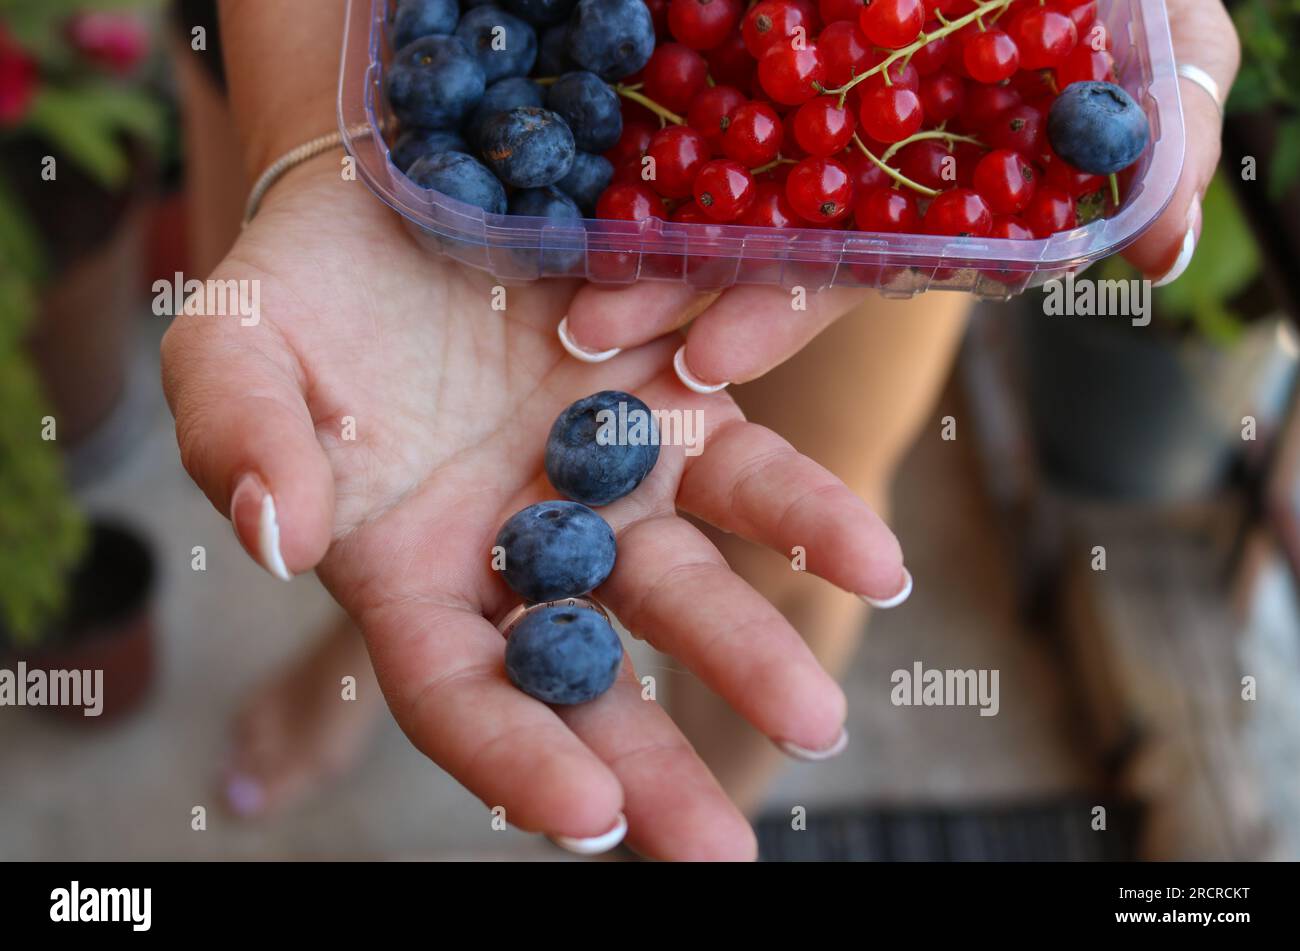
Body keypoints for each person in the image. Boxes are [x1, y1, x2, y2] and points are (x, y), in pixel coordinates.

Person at [163, 0, 1239, 859]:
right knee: (394, 457)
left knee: (788, 534)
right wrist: (311, 149)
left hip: (802, 100)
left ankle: (688, 817)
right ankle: (367, 633)